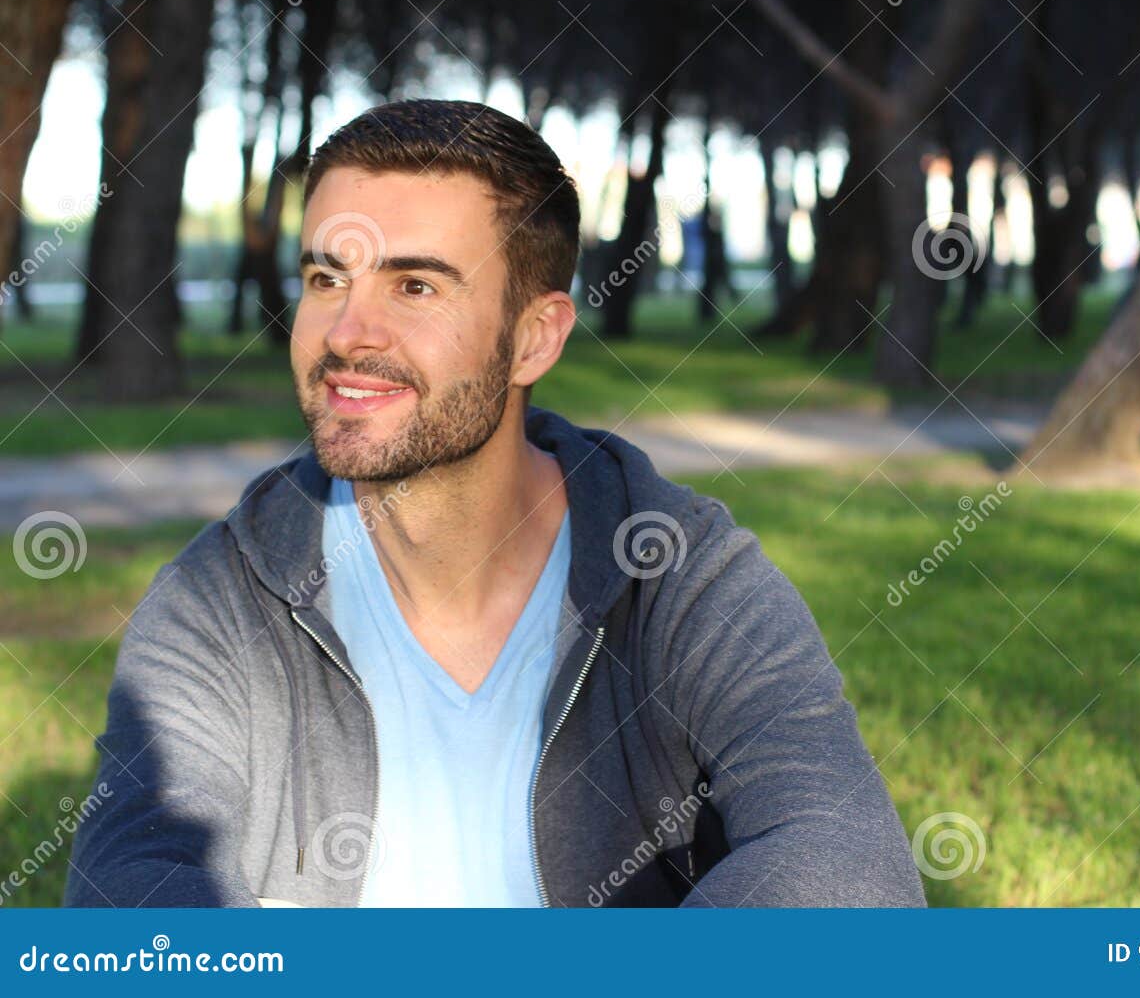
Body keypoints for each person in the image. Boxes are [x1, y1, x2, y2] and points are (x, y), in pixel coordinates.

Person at [65, 98, 925, 909]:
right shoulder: (222, 597)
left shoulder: (675, 573)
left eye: (416, 287)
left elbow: (846, 857)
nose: (346, 333)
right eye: (327, 278)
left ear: (534, 337)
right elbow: (128, 889)